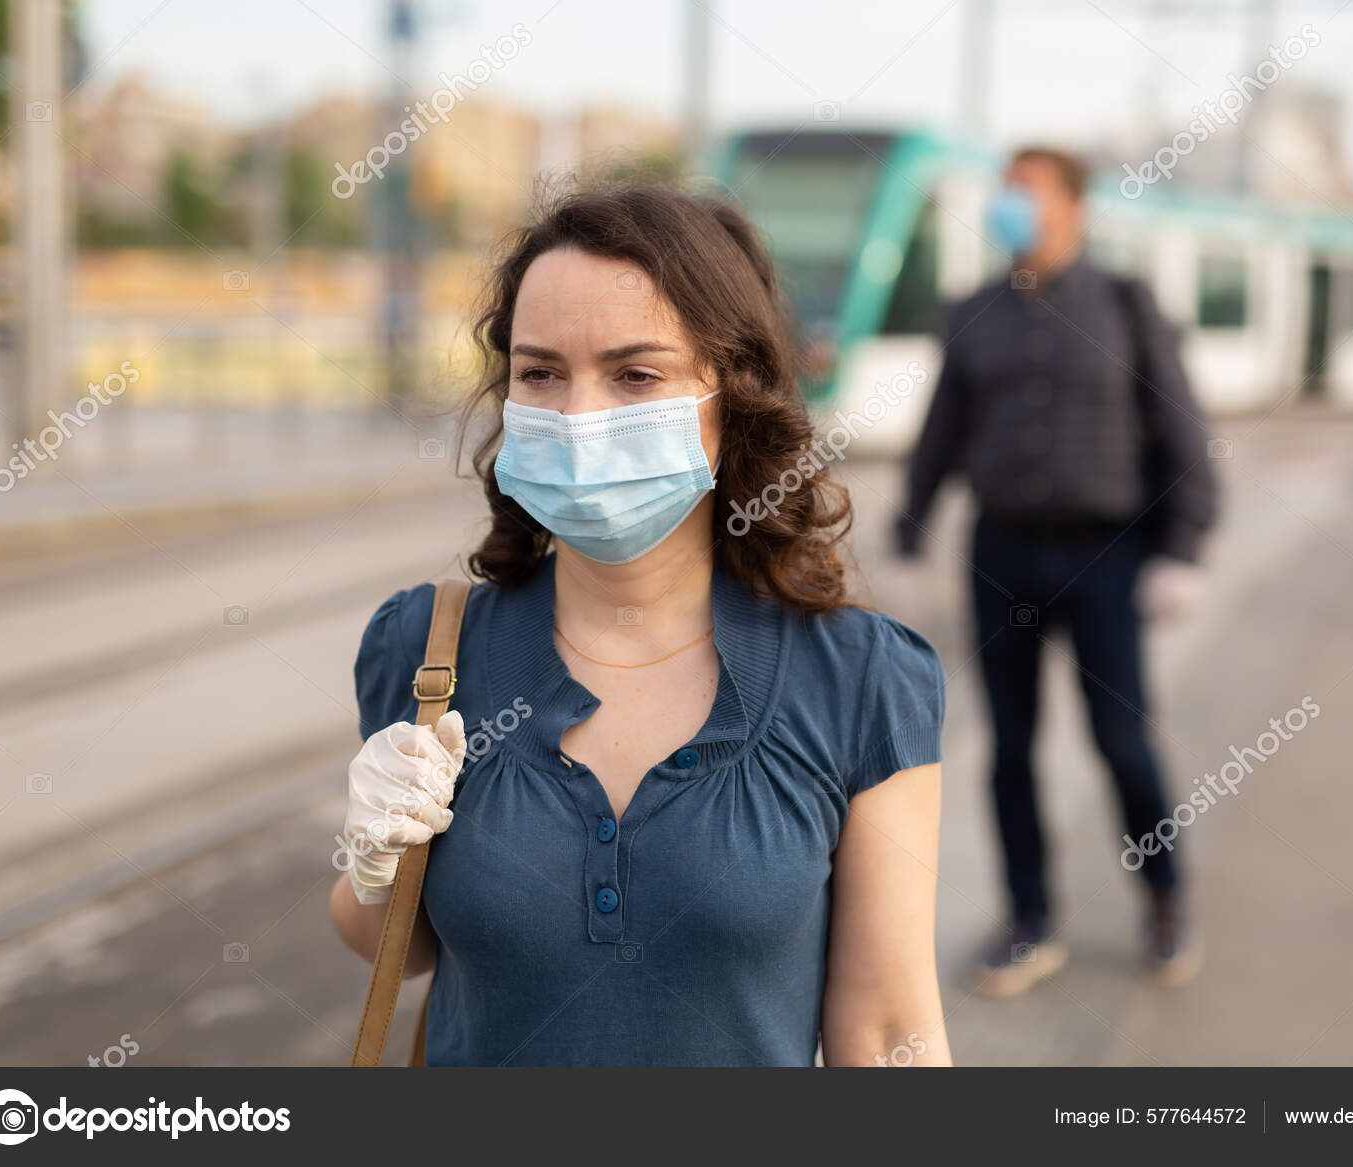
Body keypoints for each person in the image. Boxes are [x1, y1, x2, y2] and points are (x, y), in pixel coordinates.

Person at [330, 184, 952, 1067]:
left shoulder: (860, 677)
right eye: (541, 372)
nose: (579, 416)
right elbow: (402, 944)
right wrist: (370, 863)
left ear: (731, 397)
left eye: (636, 374)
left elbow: (892, 1030)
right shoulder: (425, 646)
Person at [894, 146, 1217, 996]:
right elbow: (939, 438)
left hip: (1107, 554)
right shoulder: (971, 311)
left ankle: (1165, 899)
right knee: (1007, 747)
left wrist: (1182, 550)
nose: (1011, 204)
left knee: (1122, 741)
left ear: (1074, 205)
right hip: (1001, 553)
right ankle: (1028, 919)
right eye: (1006, 189)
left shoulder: (1125, 304)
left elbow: (1184, 434)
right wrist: (905, 535)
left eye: (1028, 191)